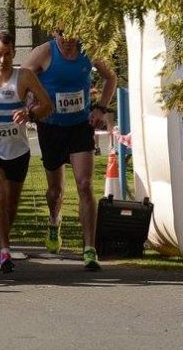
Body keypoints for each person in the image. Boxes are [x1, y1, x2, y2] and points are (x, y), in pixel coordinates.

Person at [22, 28, 116, 270]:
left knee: (84, 185)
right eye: (62, 34)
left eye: (72, 34)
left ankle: (89, 248)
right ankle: (54, 221)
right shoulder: (44, 53)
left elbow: (111, 78)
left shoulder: (89, 50)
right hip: (51, 128)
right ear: (55, 33)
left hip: (79, 127)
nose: (68, 40)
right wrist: (29, 105)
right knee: (55, 191)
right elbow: (22, 79)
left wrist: (100, 108)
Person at [0, 31, 53, 273]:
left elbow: (47, 104)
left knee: (11, 204)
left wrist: (30, 113)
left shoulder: (23, 77)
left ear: (13, 53)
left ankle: (2, 238)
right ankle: (4, 251)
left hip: (18, 150)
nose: (2, 59)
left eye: (6, 54)